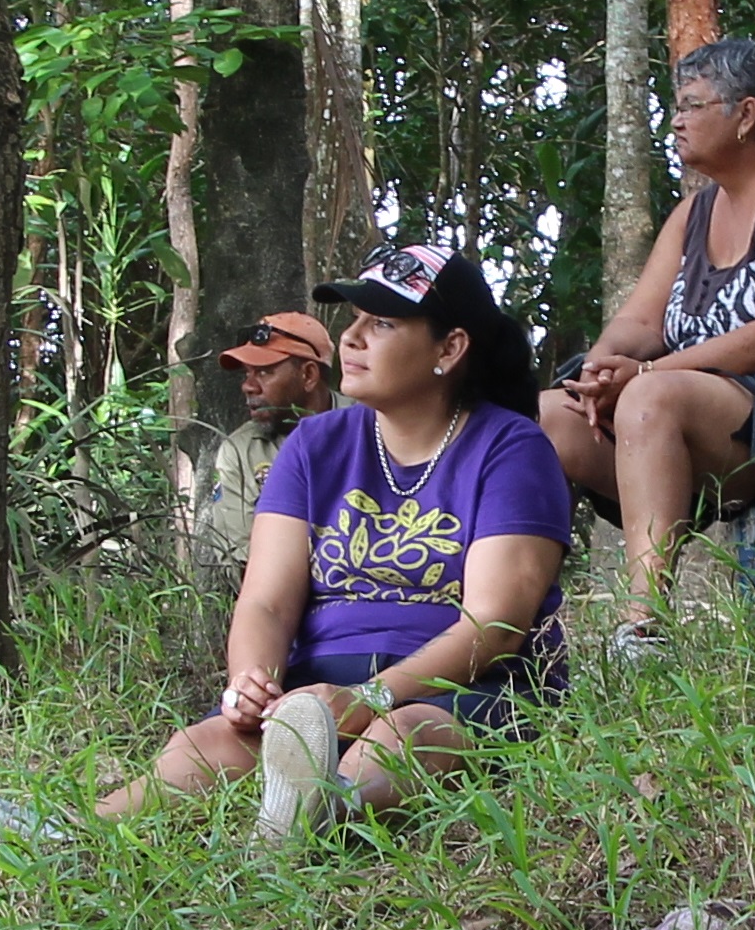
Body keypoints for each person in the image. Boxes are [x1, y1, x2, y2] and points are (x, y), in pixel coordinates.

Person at [60, 245, 572, 836]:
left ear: (449, 348)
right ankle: (61, 836)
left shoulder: (511, 448)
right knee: (204, 747)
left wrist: (371, 699)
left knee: (403, 737)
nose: (350, 338)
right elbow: (266, 602)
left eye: (382, 323)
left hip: (460, 687)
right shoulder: (312, 445)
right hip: (314, 692)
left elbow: (494, 626)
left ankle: (306, 824)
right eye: (354, 319)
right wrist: (251, 682)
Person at [545, 36, 755, 651]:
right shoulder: (693, 213)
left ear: (746, 114)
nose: (676, 121)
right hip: (702, 411)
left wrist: (644, 378)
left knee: (649, 400)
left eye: (691, 104)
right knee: (549, 416)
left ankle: (643, 627)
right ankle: (516, 617)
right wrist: (601, 372)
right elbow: (641, 324)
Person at [176, 311, 338, 584]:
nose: (248, 386)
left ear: (308, 375)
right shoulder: (239, 452)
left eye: (264, 372)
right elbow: (241, 563)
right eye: (247, 373)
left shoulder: (372, 425)